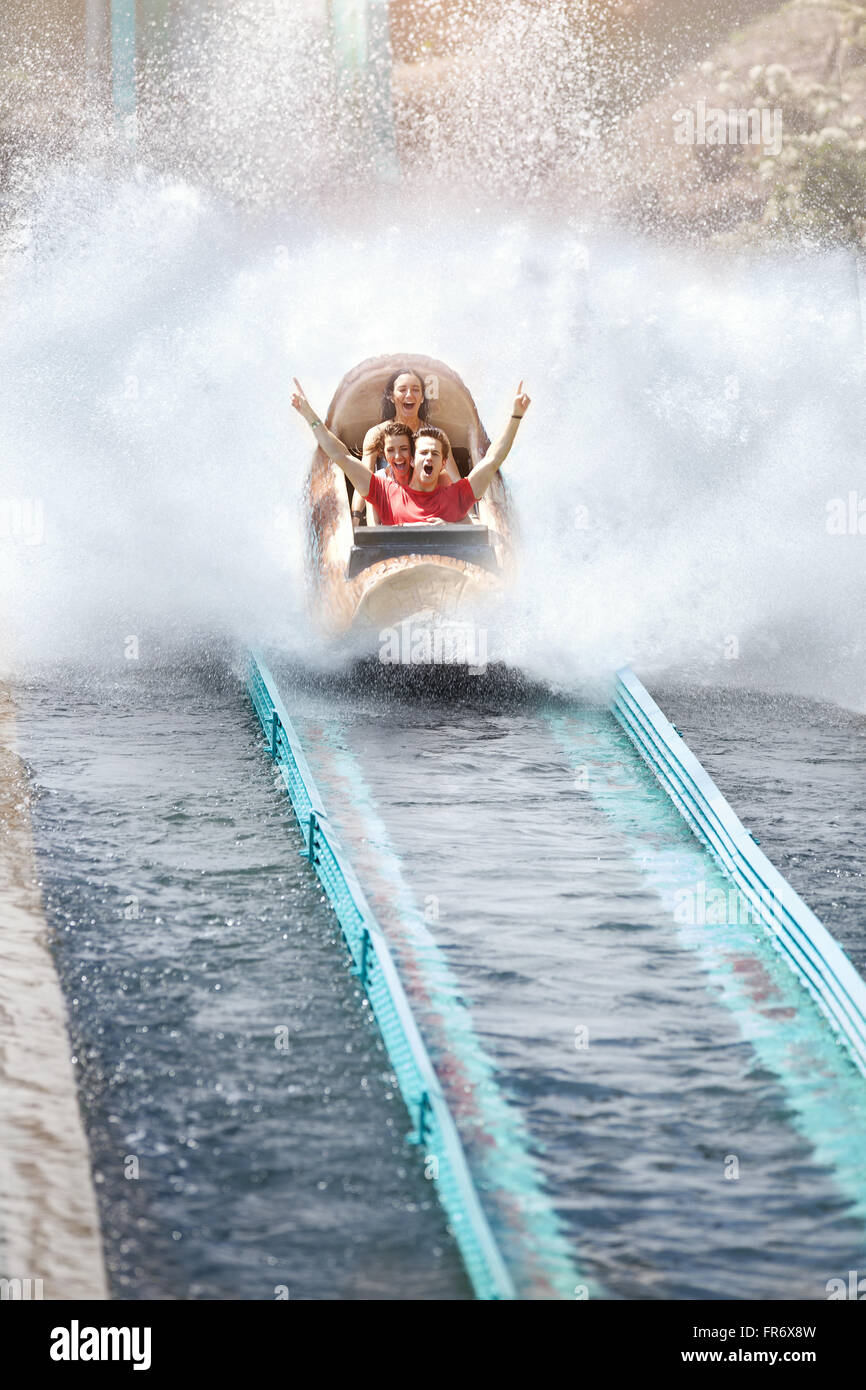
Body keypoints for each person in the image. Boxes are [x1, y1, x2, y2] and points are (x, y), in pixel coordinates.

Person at [292, 378, 530, 526]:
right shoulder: (385, 492)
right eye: (423, 453)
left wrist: (516, 416)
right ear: (413, 460)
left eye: (435, 455)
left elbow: (493, 459)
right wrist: (308, 415)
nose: (428, 458)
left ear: (443, 462)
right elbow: (340, 455)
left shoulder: (455, 496)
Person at [351, 366, 459, 524]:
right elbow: (362, 479)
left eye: (416, 390)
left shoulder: (435, 436)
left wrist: (469, 517)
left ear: (422, 397)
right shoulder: (377, 433)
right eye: (402, 389)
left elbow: (455, 481)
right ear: (391, 395)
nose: (409, 395)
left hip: (427, 513)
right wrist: (355, 519)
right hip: (391, 513)